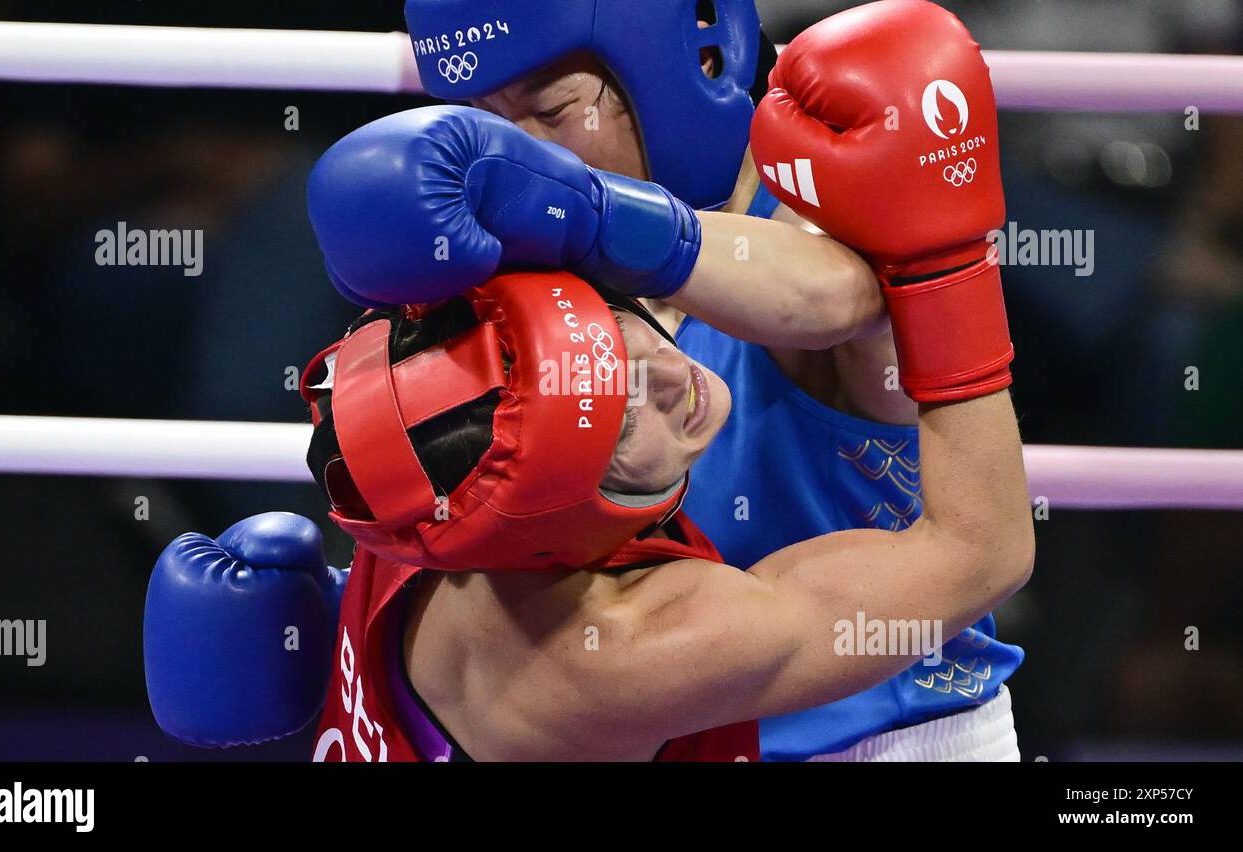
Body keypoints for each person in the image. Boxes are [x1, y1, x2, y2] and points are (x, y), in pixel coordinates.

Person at [143, 0, 1030, 760]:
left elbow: (841, 292)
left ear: (686, 66)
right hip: (657, 706)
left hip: (886, 726)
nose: (514, 150)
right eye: (478, 115)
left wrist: (592, 217)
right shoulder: (494, 244)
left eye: (555, 107)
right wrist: (339, 620)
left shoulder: (802, 195)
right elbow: (463, 487)